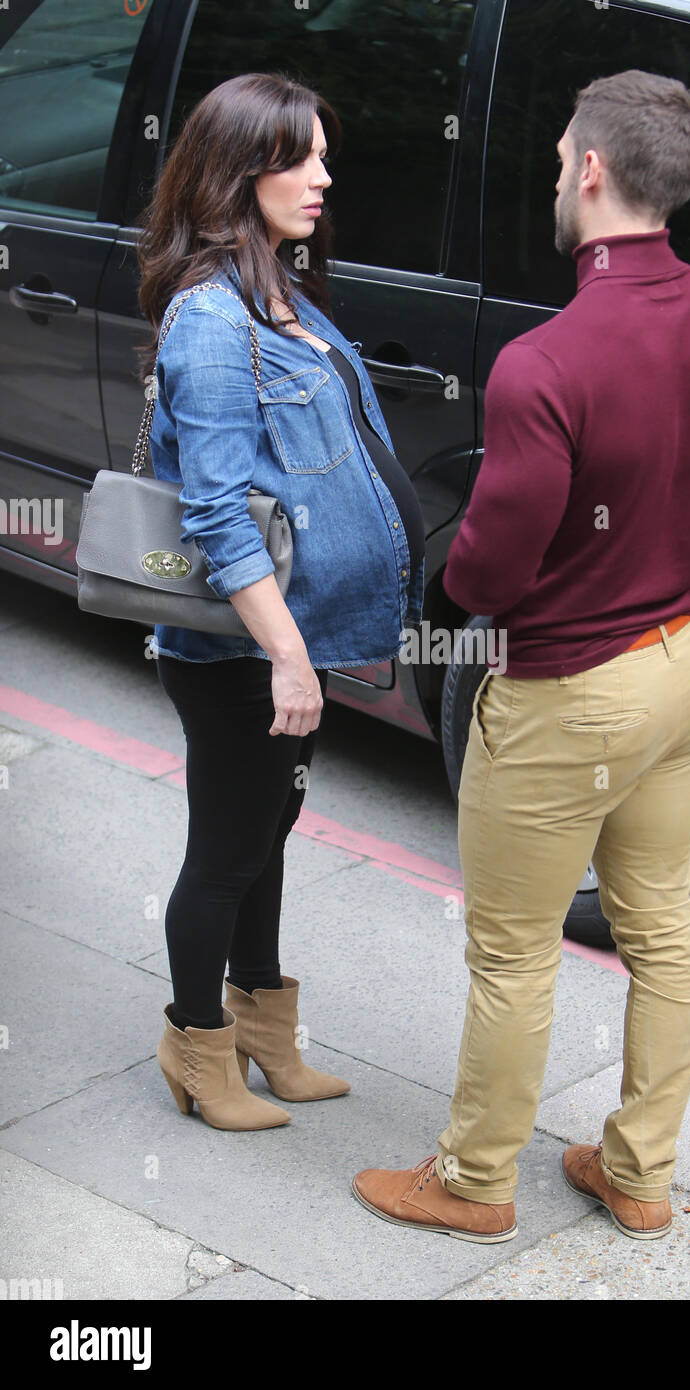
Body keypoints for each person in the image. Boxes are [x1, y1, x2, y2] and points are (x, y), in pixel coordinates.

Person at [352, 69, 690, 1241]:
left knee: (513, 951)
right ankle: (636, 1170)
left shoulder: (545, 363)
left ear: (588, 169)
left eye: (559, 156)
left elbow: (481, 576)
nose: (554, 176)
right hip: (682, 664)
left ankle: (474, 1184)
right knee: (661, 927)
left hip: (568, 688)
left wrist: (464, 555)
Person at [137, 72, 424, 1132]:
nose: (322, 176)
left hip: (289, 641)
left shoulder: (280, 297)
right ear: (239, 170)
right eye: (298, 157)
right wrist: (289, 658)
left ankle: (265, 1035)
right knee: (226, 846)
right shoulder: (209, 322)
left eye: (321, 154)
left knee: (269, 828)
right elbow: (215, 515)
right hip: (237, 654)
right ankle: (196, 1049)